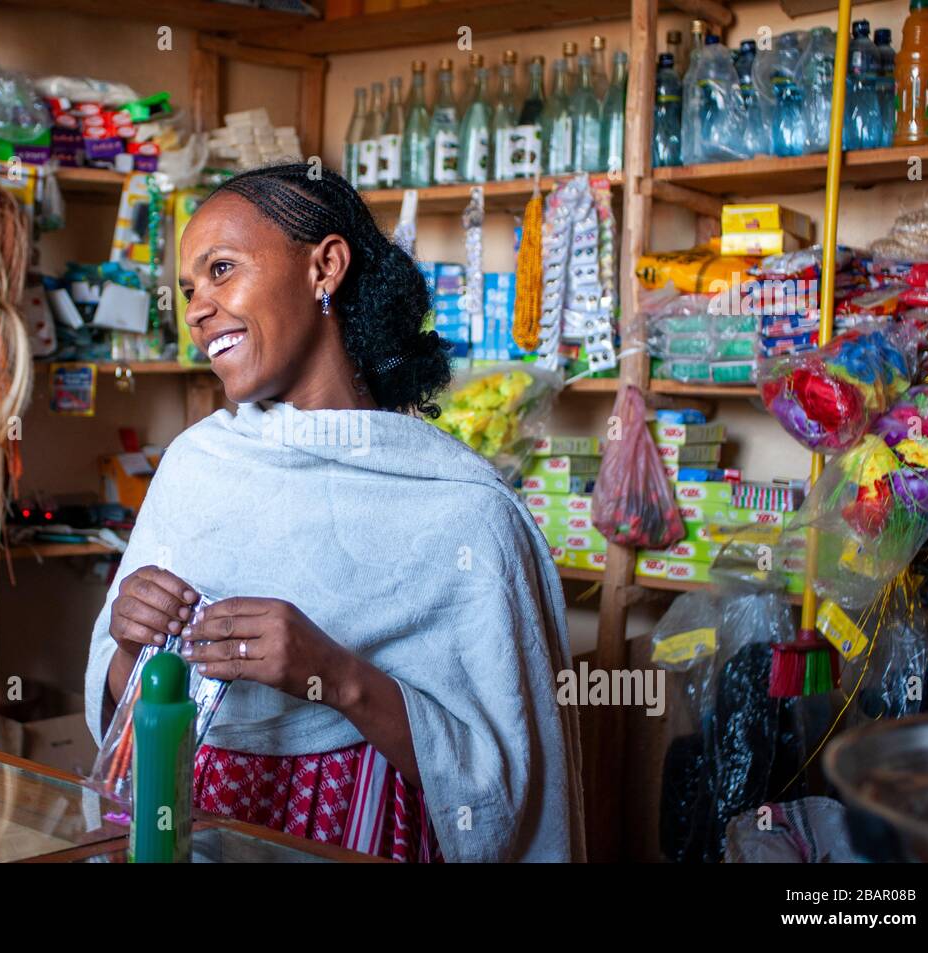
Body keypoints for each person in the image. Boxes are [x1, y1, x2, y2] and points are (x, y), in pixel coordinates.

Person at [85, 163, 584, 862]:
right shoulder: (196, 465)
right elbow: (126, 709)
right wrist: (131, 644)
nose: (197, 307)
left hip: (362, 833)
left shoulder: (462, 508)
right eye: (189, 288)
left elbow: (502, 785)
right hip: (194, 830)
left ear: (325, 265)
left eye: (222, 269)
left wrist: (336, 674)